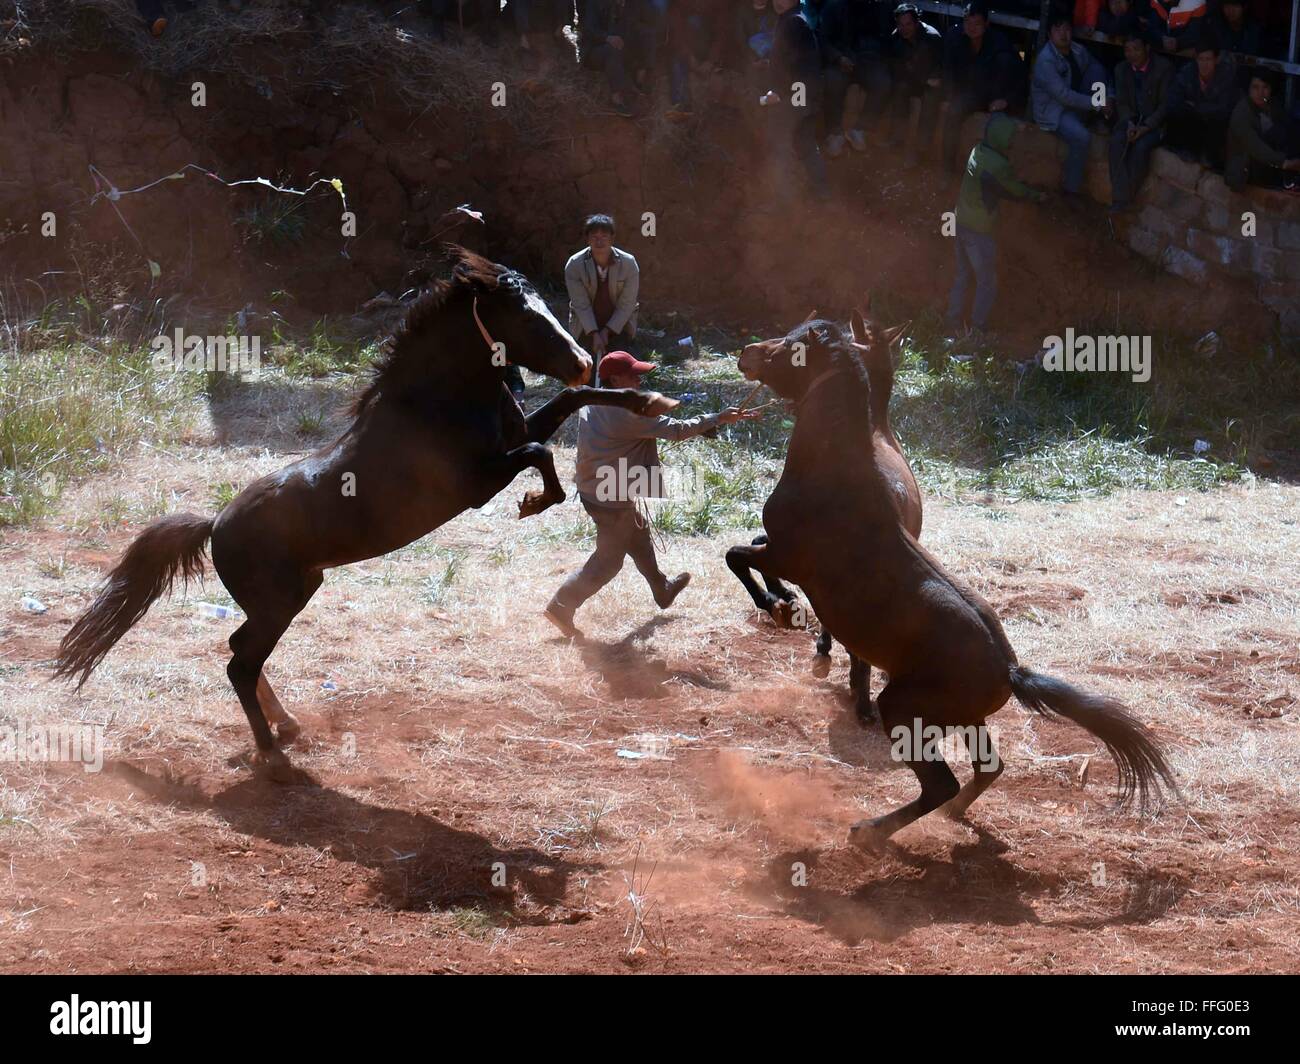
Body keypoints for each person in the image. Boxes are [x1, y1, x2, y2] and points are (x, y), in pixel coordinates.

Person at [543, 351, 761, 638]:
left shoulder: (593, 399)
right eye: (633, 374)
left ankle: (661, 589)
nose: (639, 378)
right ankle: (561, 606)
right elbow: (676, 430)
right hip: (611, 494)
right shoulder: (627, 412)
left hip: (595, 487)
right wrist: (717, 418)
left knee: (638, 533)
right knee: (608, 563)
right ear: (616, 379)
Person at [945, 112, 1047, 337]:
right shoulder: (999, 165)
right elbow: (1014, 189)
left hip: (959, 221)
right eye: (1010, 138)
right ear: (1001, 139)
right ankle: (977, 330)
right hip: (979, 231)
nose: (1012, 143)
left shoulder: (976, 151)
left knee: (962, 275)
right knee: (987, 282)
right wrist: (1037, 196)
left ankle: (951, 322)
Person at [1031, 13, 1109, 202]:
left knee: (1097, 69)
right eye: (1058, 30)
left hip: (1075, 104)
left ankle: (1101, 114)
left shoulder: (1077, 50)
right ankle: (1070, 191)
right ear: (1050, 34)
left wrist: (1107, 97)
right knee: (1082, 137)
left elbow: (1096, 70)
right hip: (1053, 111)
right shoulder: (1046, 60)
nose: (1063, 34)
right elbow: (1064, 97)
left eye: (1066, 29)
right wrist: (1097, 104)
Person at [941, 2, 1024, 175]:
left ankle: (992, 177)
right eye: (967, 22)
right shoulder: (955, 38)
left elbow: (1019, 77)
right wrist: (949, 96)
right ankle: (947, 168)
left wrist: (1006, 100)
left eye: (977, 23)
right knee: (952, 114)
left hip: (995, 97)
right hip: (969, 94)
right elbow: (947, 69)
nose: (971, 28)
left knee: (999, 129)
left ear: (986, 24)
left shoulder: (1000, 45)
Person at [759, 0, 830, 201]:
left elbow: (796, 67)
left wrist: (780, 94)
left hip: (796, 95)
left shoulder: (793, 22)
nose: (779, 2)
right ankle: (821, 192)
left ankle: (783, 199)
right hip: (805, 93)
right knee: (805, 142)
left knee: (779, 142)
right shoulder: (798, 18)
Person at [564, 214, 640, 372]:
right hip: (585, 327)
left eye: (604, 236)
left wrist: (607, 331)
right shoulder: (574, 265)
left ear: (612, 238)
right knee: (587, 373)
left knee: (619, 371)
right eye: (594, 237)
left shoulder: (628, 263)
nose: (599, 241)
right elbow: (581, 304)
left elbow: (627, 304)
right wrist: (594, 334)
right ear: (587, 239)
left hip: (619, 325)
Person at [819, 0, 895, 156]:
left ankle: (860, 129)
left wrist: (871, 57)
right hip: (839, 61)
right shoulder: (833, 6)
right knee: (832, 81)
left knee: (883, 83)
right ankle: (834, 133)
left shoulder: (877, 7)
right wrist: (838, 57)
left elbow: (883, 38)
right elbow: (823, 40)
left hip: (866, 61)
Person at [1109, 32, 1172, 211]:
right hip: (1131, 121)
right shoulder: (1121, 69)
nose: (1131, 54)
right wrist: (1129, 123)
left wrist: (1145, 128)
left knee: (1140, 148)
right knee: (1116, 142)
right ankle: (1120, 199)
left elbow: (1165, 106)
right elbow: (1121, 102)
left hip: (1154, 124)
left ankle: (1128, 197)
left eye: (1136, 49)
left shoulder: (1163, 68)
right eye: (1127, 50)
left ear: (1147, 48)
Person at [1165, 35, 1240, 169]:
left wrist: (1197, 107)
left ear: (1216, 60)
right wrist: (1192, 109)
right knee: (1179, 115)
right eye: (1201, 59)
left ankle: (1211, 160)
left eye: (1208, 59)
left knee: (1216, 121)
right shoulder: (1187, 72)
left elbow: (1224, 108)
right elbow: (1172, 99)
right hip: (1192, 124)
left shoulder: (1226, 76)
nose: (1204, 64)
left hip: (1213, 127)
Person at [887, 3, 943, 163]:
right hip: (913, 80)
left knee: (930, 100)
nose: (904, 28)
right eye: (901, 24)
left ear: (917, 22)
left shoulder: (931, 37)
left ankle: (921, 150)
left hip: (932, 83)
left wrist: (931, 79)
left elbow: (941, 66)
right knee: (899, 90)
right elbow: (896, 67)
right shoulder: (896, 37)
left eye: (908, 24)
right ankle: (897, 139)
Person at [1225, 72, 1300, 190]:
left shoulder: (1271, 105)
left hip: (1269, 159)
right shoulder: (1242, 113)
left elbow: (1286, 130)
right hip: (1246, 168)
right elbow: (1256, 147)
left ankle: (1291, 179)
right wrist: (1285, 163)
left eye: (1265, 87)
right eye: (1255, 87)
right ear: (1249, 90)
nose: (1260, 93)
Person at [579, 0, 640, 116]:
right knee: (611, 50)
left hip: (616, 53)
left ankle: (635, 91)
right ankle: (616, 100)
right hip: (593, 52)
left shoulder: (624, 6)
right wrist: (607, 38)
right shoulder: (594, 3)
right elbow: (589, 29)